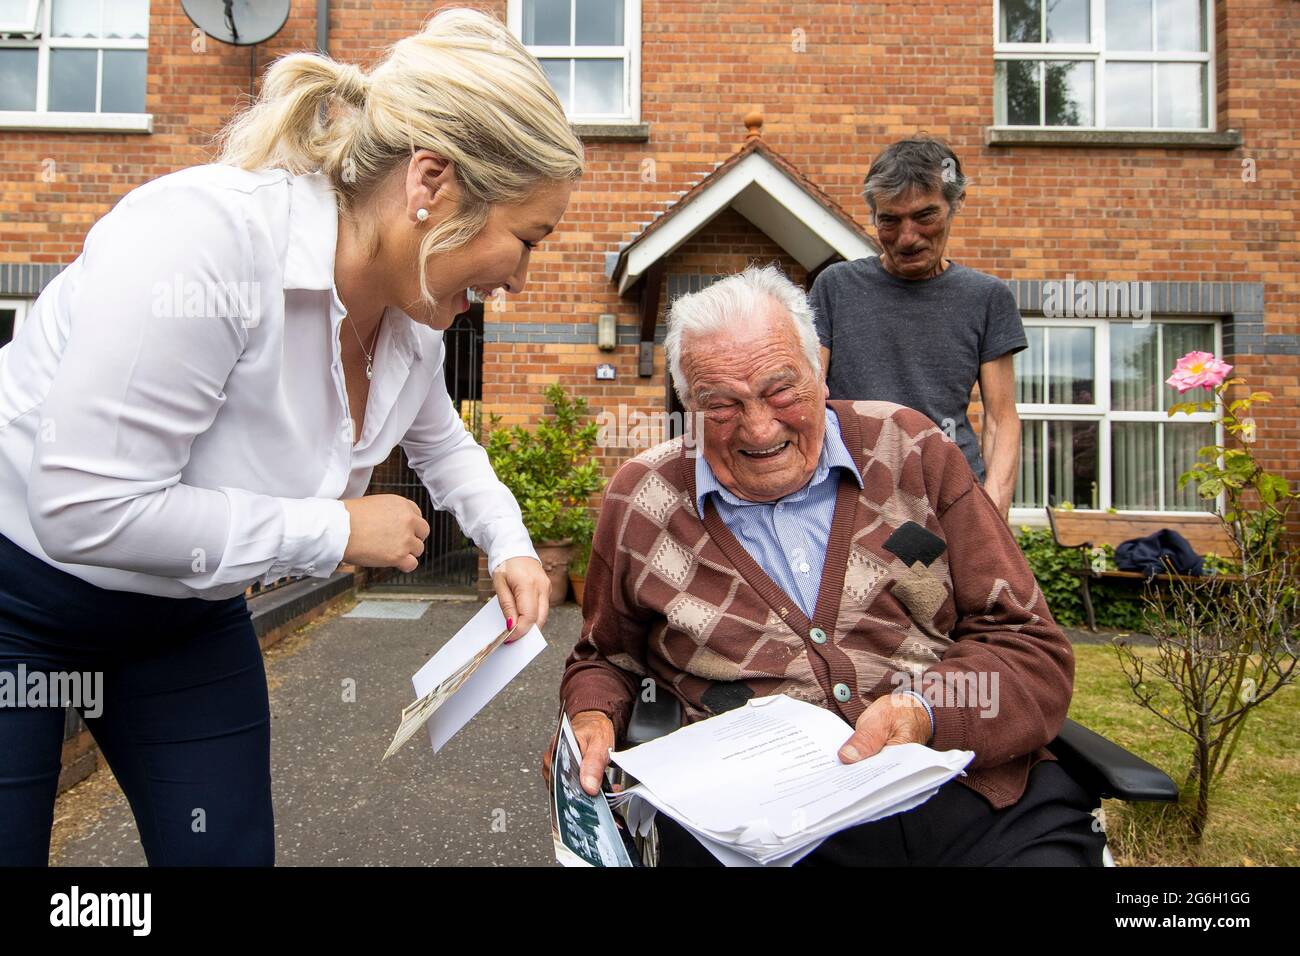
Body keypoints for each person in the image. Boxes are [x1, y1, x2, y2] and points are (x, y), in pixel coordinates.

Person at [0, 8, 581, 866]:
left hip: (186, 616)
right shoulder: (207, 242)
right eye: (526, 240)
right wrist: (335, 530)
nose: (522, 279)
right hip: (21, 595)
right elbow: (85, 508)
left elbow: (443, 444)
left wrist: (510, 543)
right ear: (431, 182)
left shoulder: (412, 317)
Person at [553, 264, 1104, 866]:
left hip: (967, 794)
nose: (760, 427)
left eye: (781, 391)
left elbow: (1027, 642)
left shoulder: (913, 449)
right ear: (688, 406)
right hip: (764, 827)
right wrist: (593, 716)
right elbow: (606, 657)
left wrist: (927, 711)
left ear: (819, 371)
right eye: (722, 405)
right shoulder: (644, 498)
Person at [811, 136, 1025, 519]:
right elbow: (809, 394)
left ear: (956, 204)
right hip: (854, 497)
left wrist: (993, 515)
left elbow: (1001, 419)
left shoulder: (987, 297)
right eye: (889, 221)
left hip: (950, 498)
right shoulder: (835, 287)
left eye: (925, 217)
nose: (907, 238)